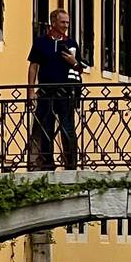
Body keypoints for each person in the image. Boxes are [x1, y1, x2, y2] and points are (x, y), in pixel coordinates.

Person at [27, 9, 83, 170]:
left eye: (67, 22)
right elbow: (33, 67)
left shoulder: (72, 44)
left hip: (66, 93)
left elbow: (79, 69)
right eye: (63, 22)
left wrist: (73, 61)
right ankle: (47, 163)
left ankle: (71, 164)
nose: (66, 25)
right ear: (53, 22)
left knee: (68, 128)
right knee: (46, 128)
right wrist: (31, 91)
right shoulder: (40, 43)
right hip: (46, 91)